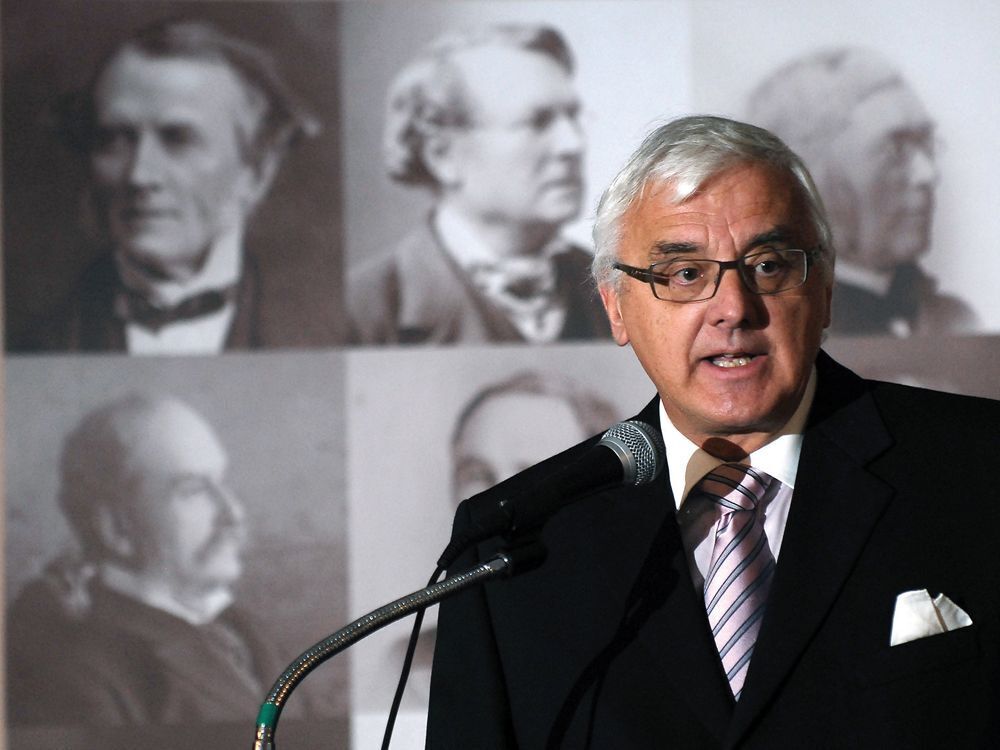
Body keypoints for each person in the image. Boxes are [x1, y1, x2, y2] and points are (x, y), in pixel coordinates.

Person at [427, 115, 1000, 748]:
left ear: (826, 286)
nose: (733, 309)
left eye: (769, 265)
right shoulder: (515, 545)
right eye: (685, 275)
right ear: (615, 305)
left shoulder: (980, 470)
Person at [11, 18, 321, 354]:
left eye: (178, 139)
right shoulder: (35, 343)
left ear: (256, 172)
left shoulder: (323, 329)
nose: (140, 175)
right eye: (114, 140)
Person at [6, 394, 296, 726]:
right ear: (118, 528)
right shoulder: (77, 681)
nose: (233, 512)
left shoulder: (244, 629)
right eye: (193, 491)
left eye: (221, 481)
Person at [348, 24, 608, 345]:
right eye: (538, 122)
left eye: (573, 117)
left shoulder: (618, 291)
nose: (573, 144)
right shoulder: (362, 309)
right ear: (443, 157)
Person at [746, 47, 978, 337]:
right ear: (813, 175)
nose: (928, 174)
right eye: (895, 148)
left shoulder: (959, 320)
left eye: (925, 143)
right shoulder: (770, 327)